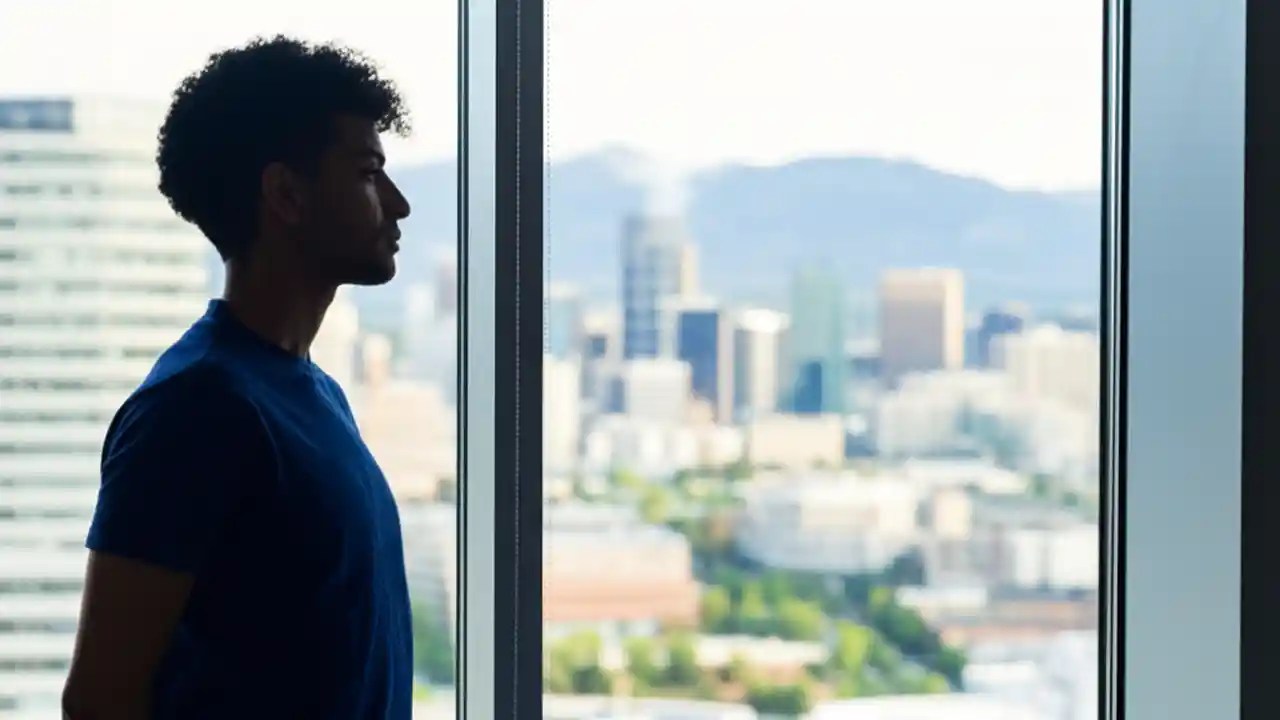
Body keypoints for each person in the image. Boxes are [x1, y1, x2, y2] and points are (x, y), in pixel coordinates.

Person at [62, 35, 415, 720]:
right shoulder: (197, 409)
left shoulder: (313, 394)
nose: (398, 204)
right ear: (285, 194)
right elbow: (99, 702)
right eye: (370, 172)